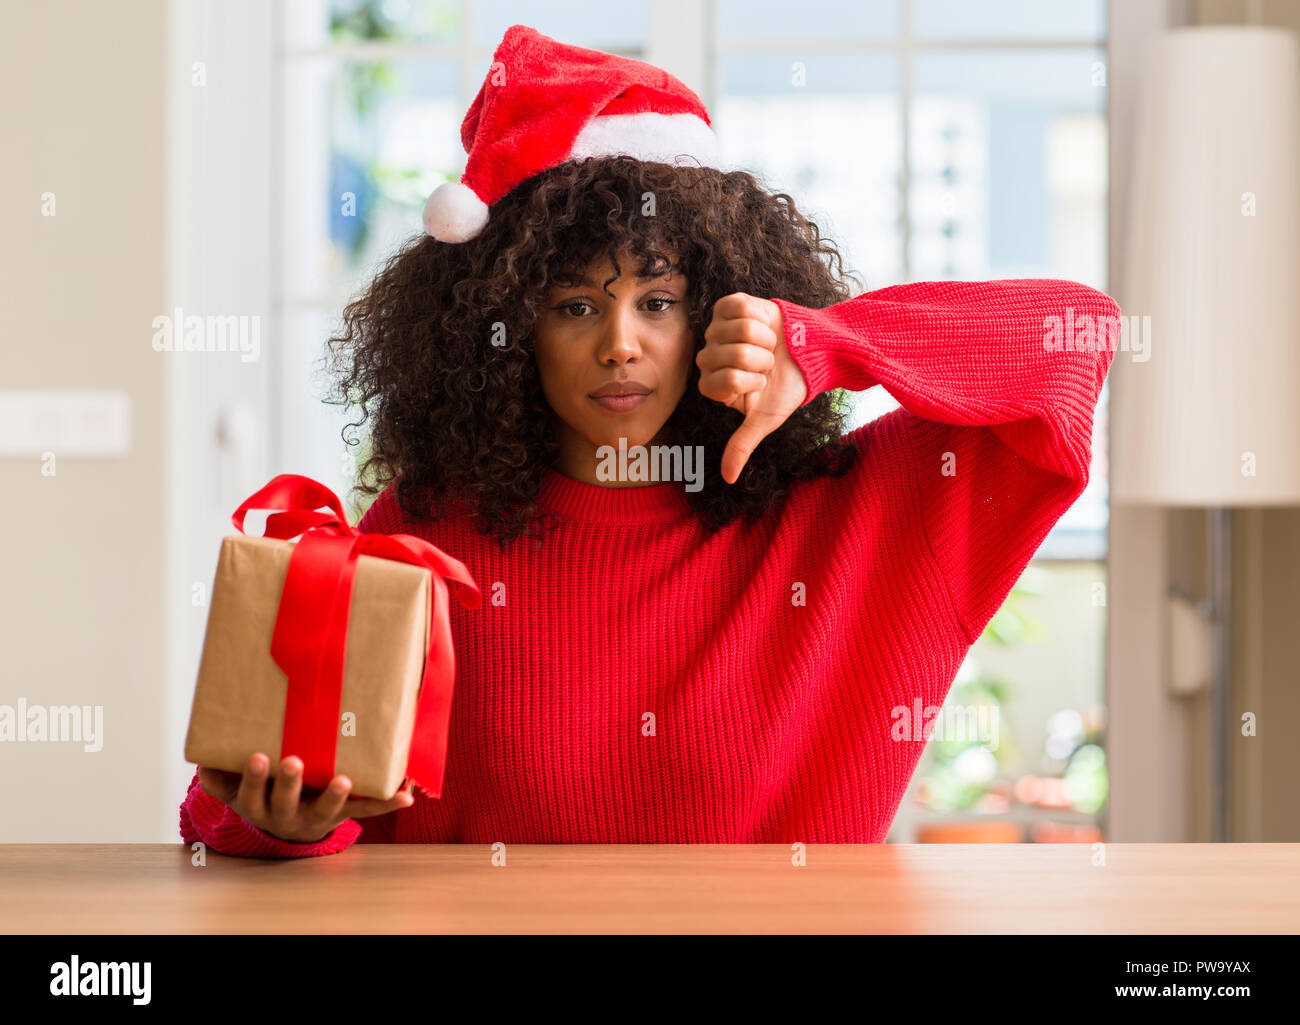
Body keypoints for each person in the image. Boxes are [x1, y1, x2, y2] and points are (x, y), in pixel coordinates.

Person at [180, 25, 1121, 857]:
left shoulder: (861, 519)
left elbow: (1072, 338)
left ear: (716, 306)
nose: (621, 341)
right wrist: (280, 823)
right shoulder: (428, 534)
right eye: (576, 304)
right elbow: (252, 806)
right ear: (505, 327)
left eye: (660, 302)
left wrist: (825, 347)